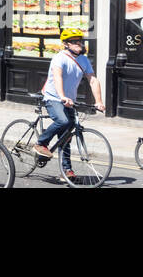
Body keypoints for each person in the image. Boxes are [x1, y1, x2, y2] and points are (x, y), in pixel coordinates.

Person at [32, 28, 105, 179]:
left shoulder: (84, 60)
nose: (79, 44)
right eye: (74, 42)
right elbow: (57, 77)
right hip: (53, 97)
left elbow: (92, 80)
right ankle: (41, 143)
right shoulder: (60, 58)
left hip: (69, 99)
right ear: (66, 44)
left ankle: (67, 170)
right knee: (63, 121)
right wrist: (63, 96)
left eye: (80, 41)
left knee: (66, 136)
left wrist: (99, 101)